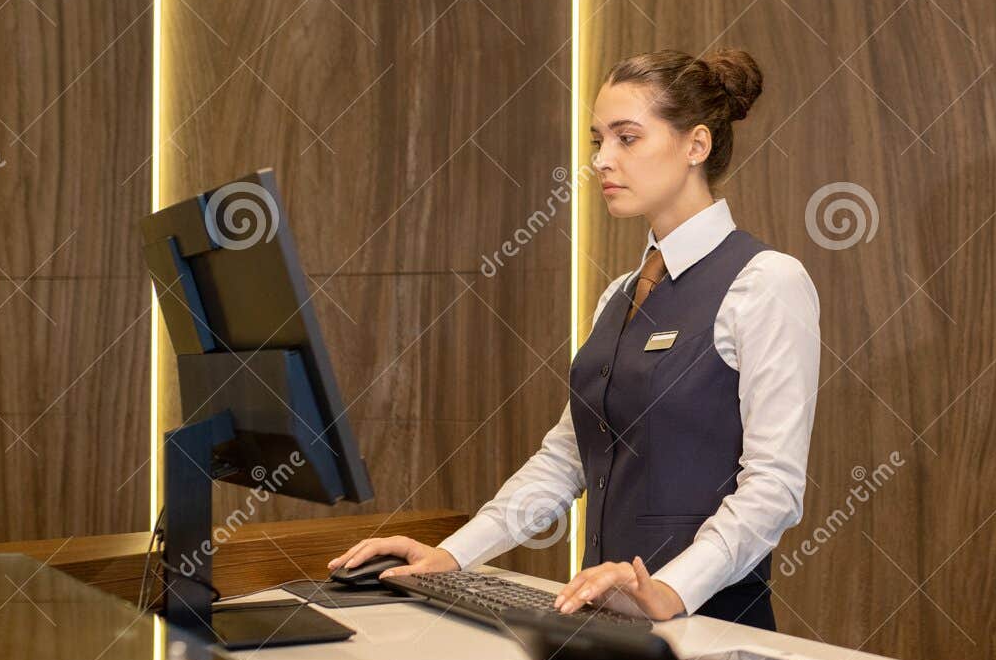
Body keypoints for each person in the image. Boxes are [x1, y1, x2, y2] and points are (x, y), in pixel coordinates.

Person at [329, 48, 820, 628]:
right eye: (598, 141)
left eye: (627, 138)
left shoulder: (767, 282)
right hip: (600, 624)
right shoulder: (618, 294)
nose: (602, 160)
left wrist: (671, 588)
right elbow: (566, 459)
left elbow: (774, 486)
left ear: (696, 145)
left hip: (710, 628)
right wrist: (452, 555)